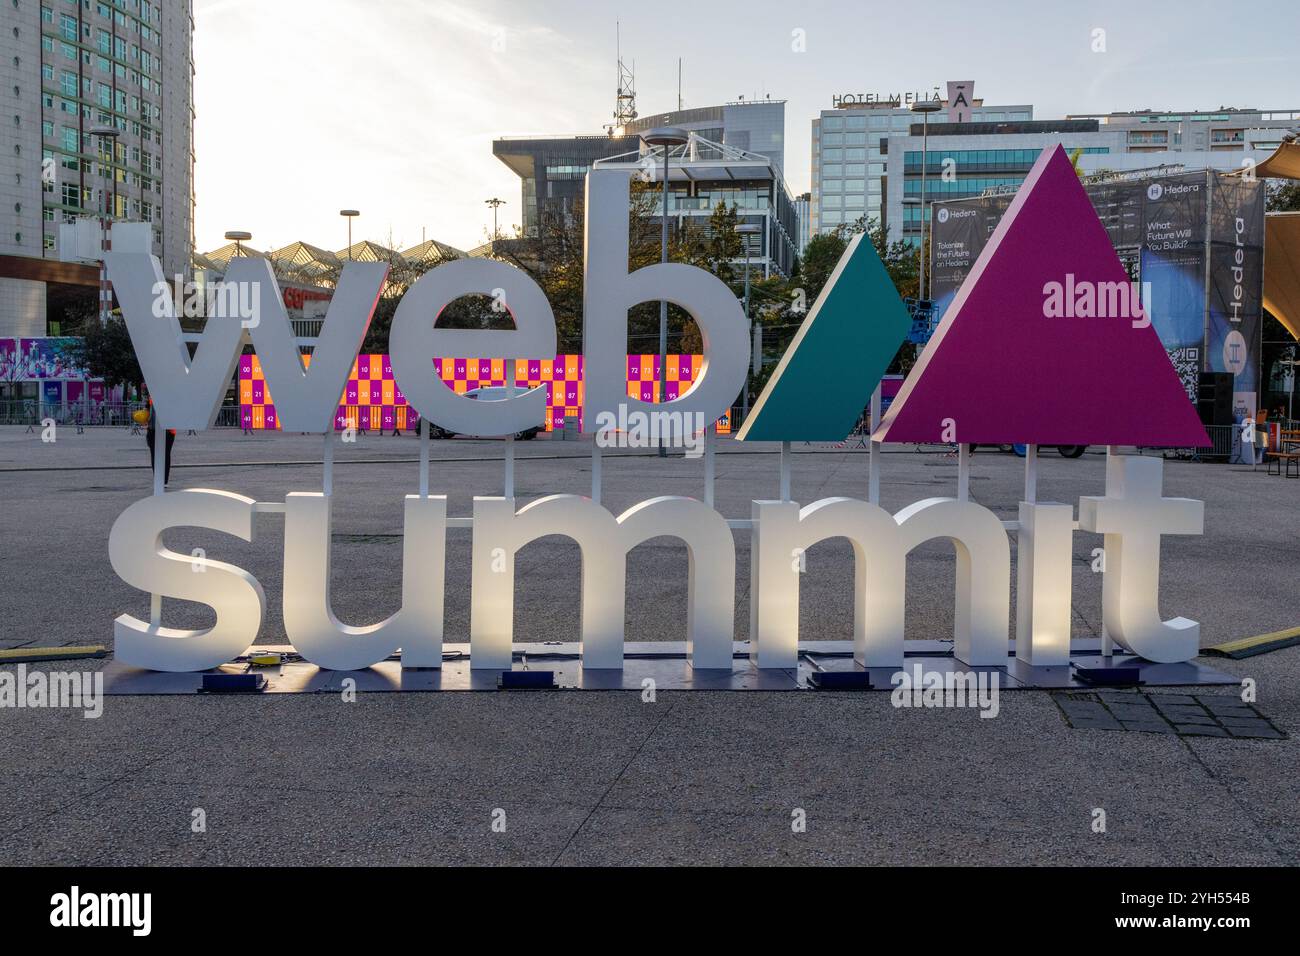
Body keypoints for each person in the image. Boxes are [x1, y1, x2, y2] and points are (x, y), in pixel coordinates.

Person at [145, 400, 176, 485]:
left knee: (165, 455)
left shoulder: (169, 395)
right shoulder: (151, 395)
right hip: (152, 429)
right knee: (154, 455)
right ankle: (158, 479)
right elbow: (147, 409)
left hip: (168, 430)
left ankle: (164, 480)